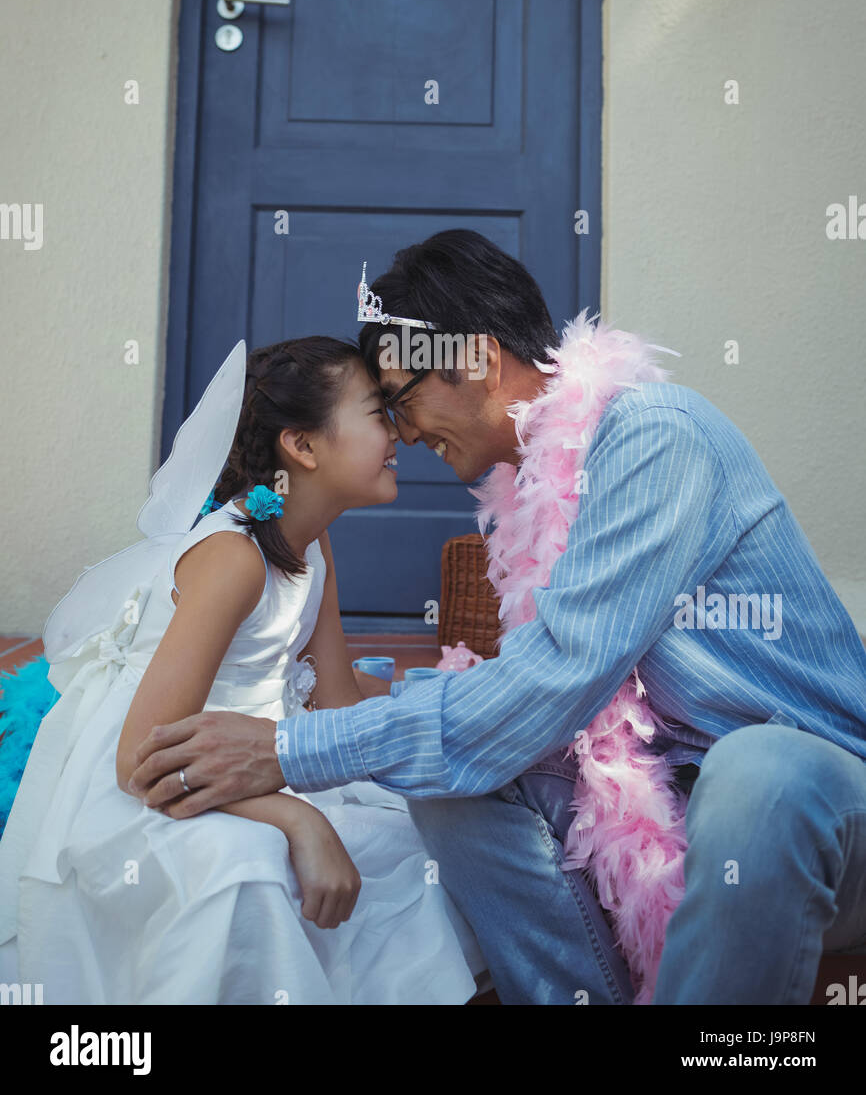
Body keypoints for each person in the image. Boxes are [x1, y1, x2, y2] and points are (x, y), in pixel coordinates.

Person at [129, 231, 866, 1005]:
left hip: (824, 813)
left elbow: (550, 685)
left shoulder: (655, 438)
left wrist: (294, 748)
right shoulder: (528, 494)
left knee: (759, 774)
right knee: (457, 784)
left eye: (401, 398)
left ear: (476, 358)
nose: (404, 435)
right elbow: (522, 712)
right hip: (682, 790)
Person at [0, 336, 487, 1004]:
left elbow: (337, 704)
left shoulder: (312, 543)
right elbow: (139, 762)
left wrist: (437, 728)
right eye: (378, 414)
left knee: (421, 838)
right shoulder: (233, 560)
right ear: (305, 447)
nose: (399, 430)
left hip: (257, 761)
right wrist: (298, 819)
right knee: (248, 869)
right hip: (160, 785)